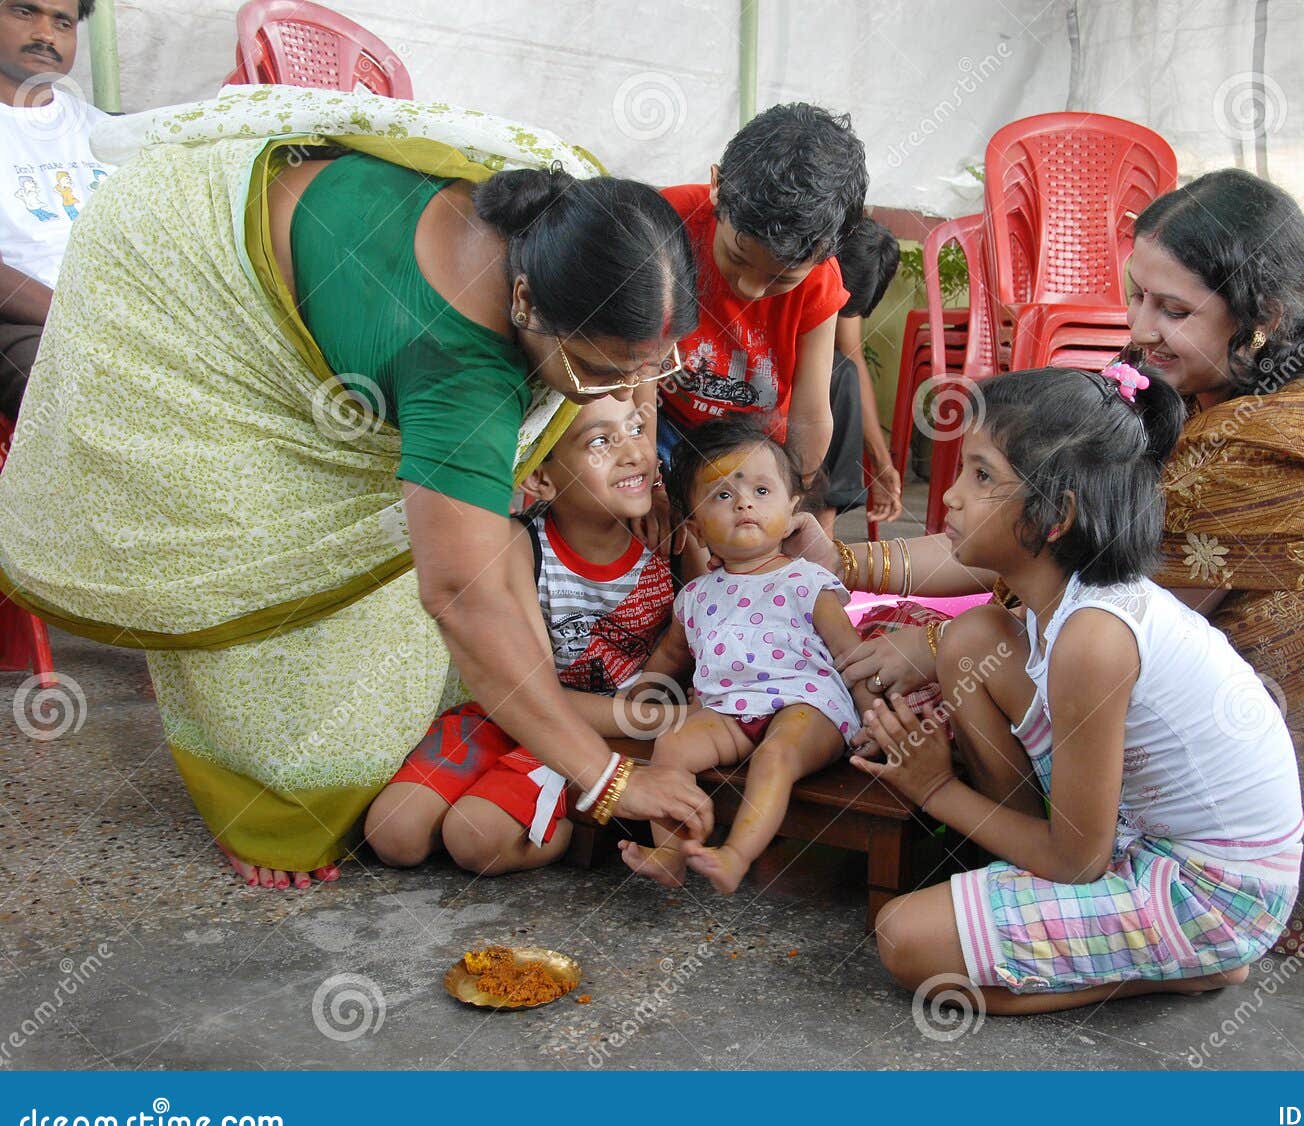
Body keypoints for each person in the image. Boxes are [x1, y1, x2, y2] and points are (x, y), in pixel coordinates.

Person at [791, 169, 1304, 962]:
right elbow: (1033, 539)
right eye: (1137, 295)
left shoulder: (1270, 442)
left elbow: (1072, 563)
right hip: (1264, 597)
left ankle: (1301, 895)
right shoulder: (1177, 388)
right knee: (1006, 638)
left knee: (1283, 618)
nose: (1139, 327)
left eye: (1173, 310)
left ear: (1262, 318)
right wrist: (847, 559)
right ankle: (1072, 840)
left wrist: (930, 651)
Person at [0, 88, 713, 890]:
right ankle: (259, 797)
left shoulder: (566, 209)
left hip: (287, 231)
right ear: (523, 302)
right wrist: (615, 778)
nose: (625, 395)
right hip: (173, 263)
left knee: (411, 549)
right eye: (604, 372)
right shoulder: (461, 372)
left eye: (656, 365)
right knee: (267, 558)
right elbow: (461, 595)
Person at [854, 365, 1303, 1011]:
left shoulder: (1094, 637)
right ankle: (1023, 873)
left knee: (905, 941)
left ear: (1054, 516)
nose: (951, 496)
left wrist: (933, 788)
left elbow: (1076, 862)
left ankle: (1191, 964)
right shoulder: (1064, 600)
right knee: (972, 639)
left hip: (1214, 891)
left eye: (982, 475)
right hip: (1132, 834)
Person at [365, 391, 676, 876]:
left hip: (597, 736)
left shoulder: (670, 539)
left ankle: (574, 824)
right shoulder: (519, 543)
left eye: (635, 430)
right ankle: (548, 804)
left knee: (475, 838)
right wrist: (666, 718)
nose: (633, 452)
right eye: (600, 441)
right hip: (519, 708)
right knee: (394, 834)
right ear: (540, 478)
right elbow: (537, 692)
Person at [618, 415, 874, 893]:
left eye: (761, 491)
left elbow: (850, 654)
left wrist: (874, 719)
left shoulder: (808, 580)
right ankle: (670, 855)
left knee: (774, 756)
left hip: (809, 708)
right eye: (722, 495)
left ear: (794, 506)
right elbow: (671, 656)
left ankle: (736, 854)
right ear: (692, 524)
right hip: (729, 712)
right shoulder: (695, 596)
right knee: (671, 746)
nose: (743, 504)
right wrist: (638, 692)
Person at [654, 103, 868, 485]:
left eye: (781, 279)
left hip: (751, 445)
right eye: (736, 257)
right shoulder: (666, 223)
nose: (750, 289)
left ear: (829, 250)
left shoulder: (821, 279)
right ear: (718, 186)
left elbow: (811, 412)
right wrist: (647, 473)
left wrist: (795, 490)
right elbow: (627, 372)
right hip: (661, 424)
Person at [0, 0, 108, 420]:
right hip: (27, 321)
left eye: (62, 22)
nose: (46, 34)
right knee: (84, 395)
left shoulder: (106, 131)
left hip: (127, 311)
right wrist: (76, 314)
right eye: (25, 12)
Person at [818, 217, 904, 532]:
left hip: (803, 372)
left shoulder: (853, 265)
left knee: (842, 374)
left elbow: (850, 352)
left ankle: (822, 528)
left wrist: (881, 464)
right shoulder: (810, 254)